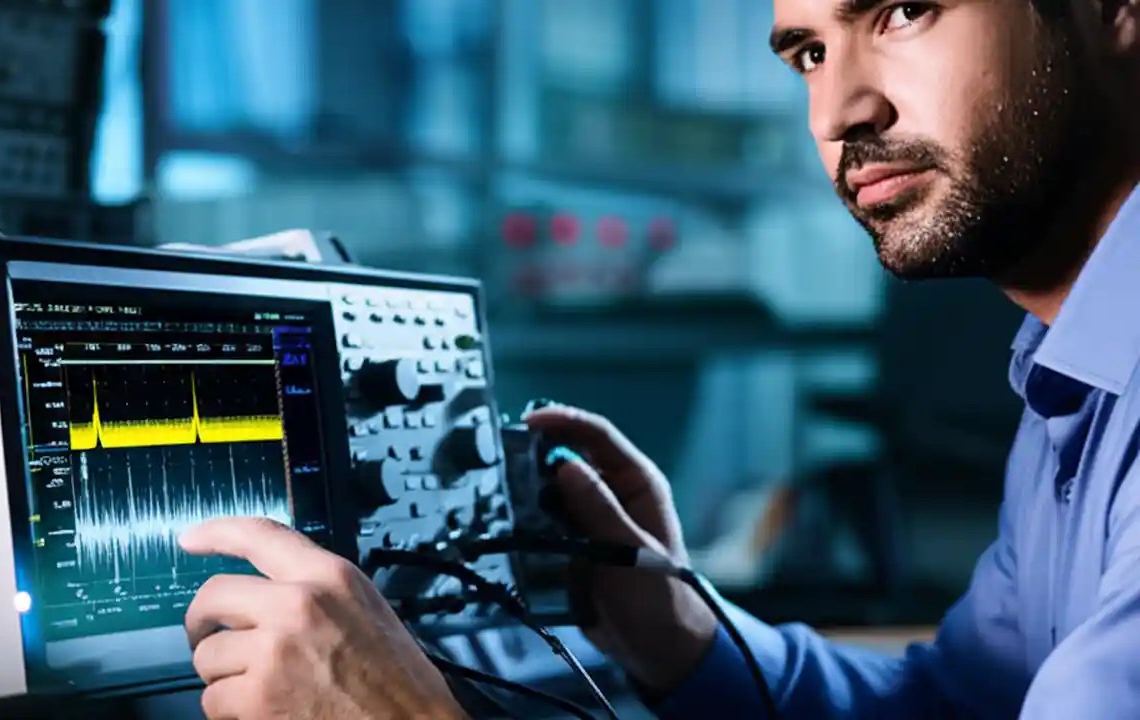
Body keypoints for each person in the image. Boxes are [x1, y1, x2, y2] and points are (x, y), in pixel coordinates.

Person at [178, 0, 1140, 717]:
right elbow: (955, 706)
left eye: (903, 11)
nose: (837, 111)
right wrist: (679, 630)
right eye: (809, 53)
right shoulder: (1074, 378)